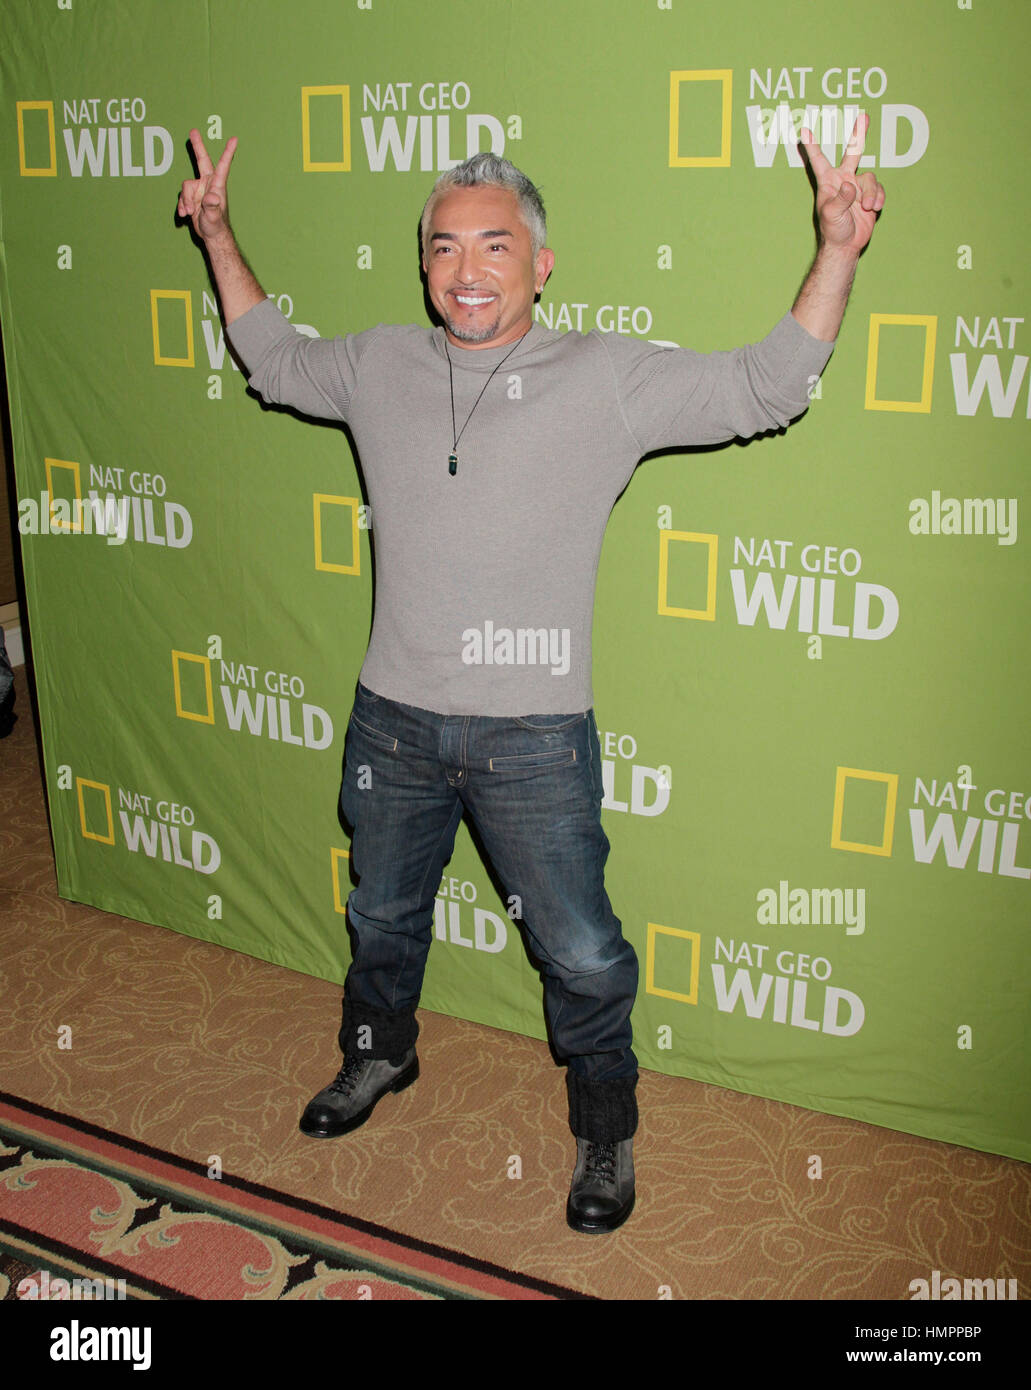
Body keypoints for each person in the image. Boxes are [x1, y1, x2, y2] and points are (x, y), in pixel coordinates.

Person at [177, 121, 884, 1235]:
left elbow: (764, 389)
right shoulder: (376, 364)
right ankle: (377, 1057)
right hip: (391, 723)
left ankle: (605, 1127)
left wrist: (836, 248)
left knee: (580, 949)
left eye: (494, 247)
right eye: (444, 247)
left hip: (533, 739)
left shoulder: (604, 378)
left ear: (540, 263)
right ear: (423, 263)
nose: (466, 270)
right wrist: (217, 234)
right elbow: (269, 355)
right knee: (382, 917)